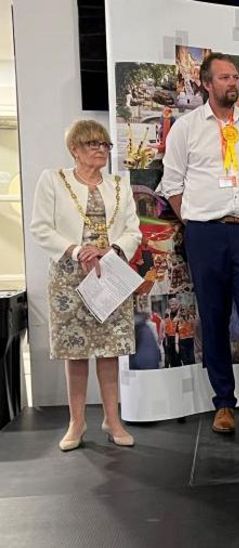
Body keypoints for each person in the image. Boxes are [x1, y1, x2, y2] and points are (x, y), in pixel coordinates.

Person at [160, 53, 239, 436]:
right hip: (205, 234)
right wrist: (197, 222)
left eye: (236, 76)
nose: (233, 83)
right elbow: (172, 185)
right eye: (224, 77)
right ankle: (224, 404)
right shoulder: (186, 128)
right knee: (214, 320)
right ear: (206, 83)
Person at [30, 119, 142, 450]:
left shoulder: (119, 184)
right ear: (74, 149)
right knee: (75, 352)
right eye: (92, 144)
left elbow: (133, 230)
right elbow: (41, 227)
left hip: (109, 272)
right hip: (69, 275)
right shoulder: (53, 180)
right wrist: (79, 251)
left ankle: (113, 420)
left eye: (104, 145)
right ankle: (76, 423)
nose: (100, 150)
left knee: (109, 351)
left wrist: (112, 250)